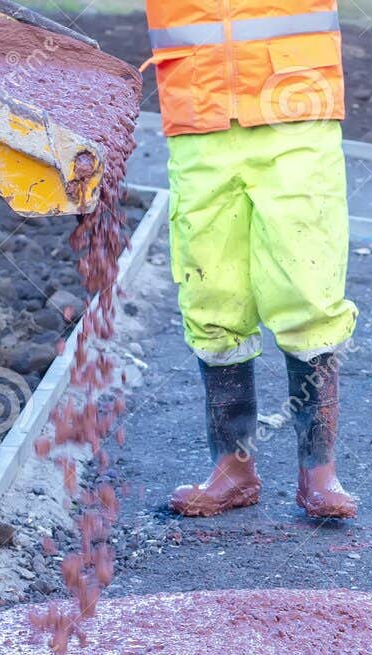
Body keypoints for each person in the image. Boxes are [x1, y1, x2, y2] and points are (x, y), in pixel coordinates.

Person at [146, 0, 358, 519]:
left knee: (307, 287)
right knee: (211, 291)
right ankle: (231, 468)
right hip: (198, 109)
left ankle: (319, 474)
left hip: (296, 106)